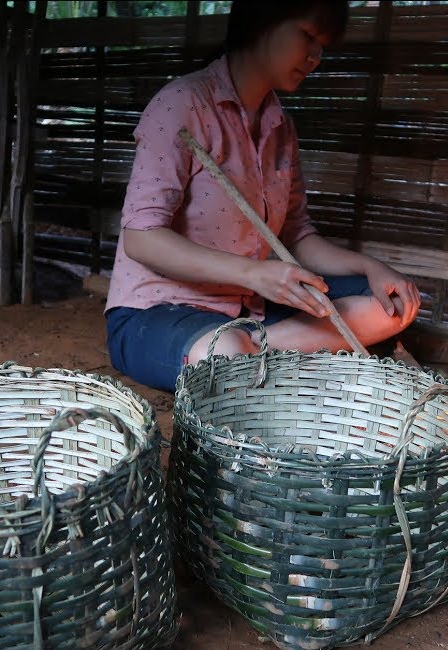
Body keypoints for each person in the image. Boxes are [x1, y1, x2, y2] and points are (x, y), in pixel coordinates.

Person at [104, 0, 421, 393]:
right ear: (260, 22)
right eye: (307, 36)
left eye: (322, 45)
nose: (315, 57)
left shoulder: (280, 126)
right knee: (224, 352)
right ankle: (256, 355)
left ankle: (255, 355)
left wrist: (370, 267)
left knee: (390, 307)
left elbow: (298, 237)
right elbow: (141, 238)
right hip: (156, 312)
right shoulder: (181, 105)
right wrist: (253, 273)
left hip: (248, 310)